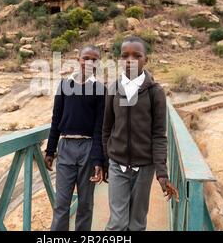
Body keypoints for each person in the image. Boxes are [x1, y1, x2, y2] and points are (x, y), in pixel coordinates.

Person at [103, 36, 179, 231]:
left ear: (146, 59)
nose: (130, 60)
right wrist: (105, 161)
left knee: (137, 224)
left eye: (137, 55)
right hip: (116, 165)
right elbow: (106, 129)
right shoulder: (113, 89)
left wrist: (162, 173)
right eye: (125, 56)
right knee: (117, 223)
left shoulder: (155, 92)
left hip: (145, 167)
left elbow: (159, 135)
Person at [45, 45, 106, 231]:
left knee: (86, 204)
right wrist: (50, 150)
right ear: (77, 59)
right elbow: (56, 119)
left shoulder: (100, 89)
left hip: (88, 148)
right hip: (65, 147)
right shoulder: (64, 85)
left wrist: (98, 160)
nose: (89, 62)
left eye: (94, 59)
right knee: (61, 203)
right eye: (85, 58)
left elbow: (99, 128)